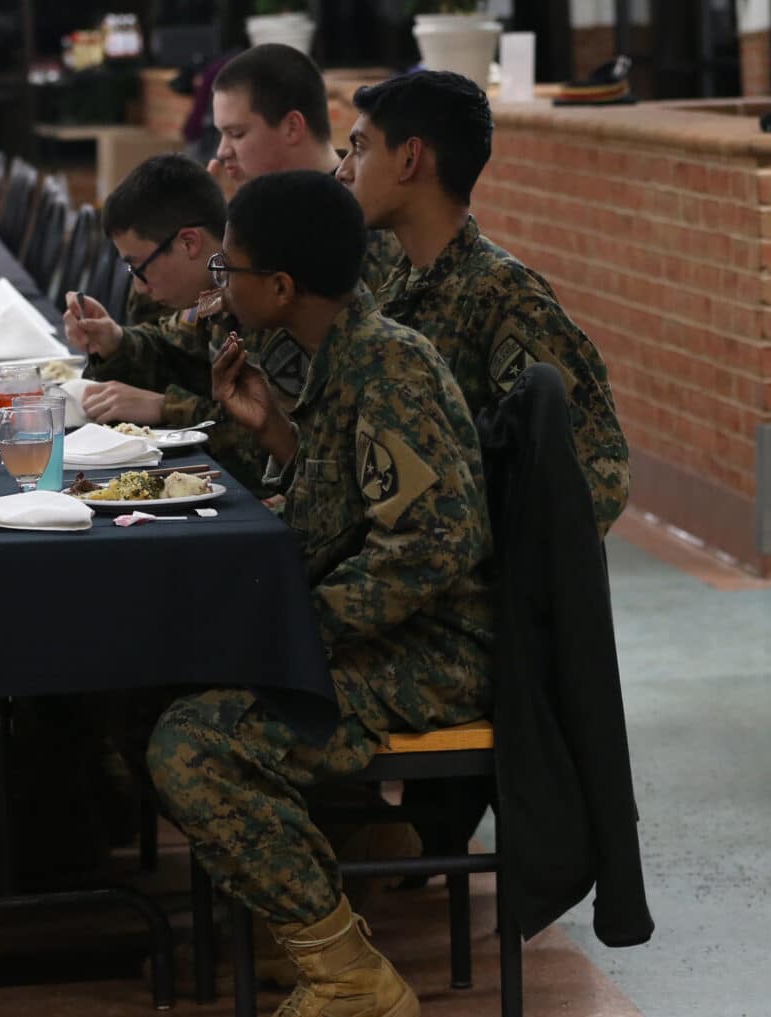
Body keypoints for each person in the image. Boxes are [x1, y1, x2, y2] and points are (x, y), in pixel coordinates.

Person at [148, 170, 493, 1017]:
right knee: (172, 679)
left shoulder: (390, 369)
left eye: (229, 271)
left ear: (282, 287)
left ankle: (351, 978)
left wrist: (300, 629)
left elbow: (431, 547)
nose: (220, 287)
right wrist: (278, 436)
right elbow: (361, 503)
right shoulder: (338, 359)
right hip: (390, 632)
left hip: (436, 650)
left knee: (192, 743)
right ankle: (296, 914)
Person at [336, 70, 629, 535]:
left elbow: (599, 471)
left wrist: (492, 562)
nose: (343, 170)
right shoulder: (398, 289)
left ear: (411, 157)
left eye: (360, 148)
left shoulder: (502, 296)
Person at [62, 154, 307, 498]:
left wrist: (166, 406)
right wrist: (115, 341)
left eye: (139, 268)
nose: (139, 287)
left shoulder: (266, 300)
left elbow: (273, 442)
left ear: (189, 242)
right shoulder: (213, 293)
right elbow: (170, 342)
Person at [208, 42, 403, 292]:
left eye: (236, 133)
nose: (222, 151)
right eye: (221, 134)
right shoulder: (261, 213)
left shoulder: (360, 227)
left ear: (292, 127)